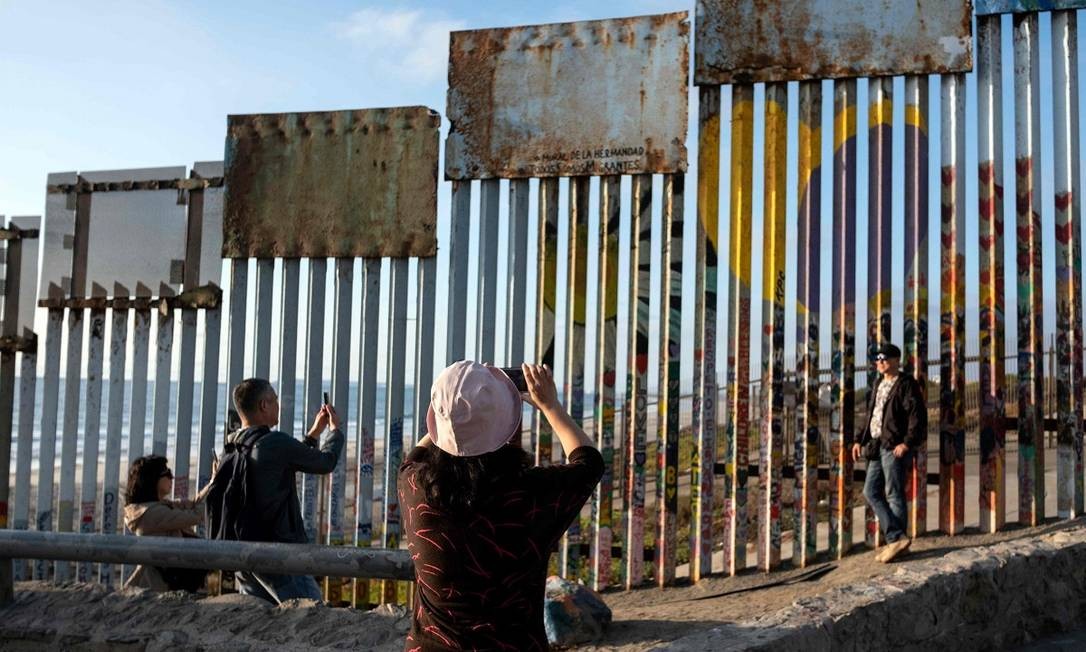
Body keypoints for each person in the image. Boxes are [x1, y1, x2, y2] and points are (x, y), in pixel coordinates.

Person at [399, 361, 603, 652]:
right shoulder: (530, 494)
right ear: (505, 423)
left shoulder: (414, 486)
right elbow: (589, 463)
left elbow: (420, 453)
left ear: (436, 419)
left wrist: (455, 411)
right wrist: (549, 405)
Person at [226, 378, 345, 604]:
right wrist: (335, 431)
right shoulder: (274, 442)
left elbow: (281, 461)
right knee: (310, 613)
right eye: (275, 400)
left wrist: (313, 434)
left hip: (242, 552)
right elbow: (325, 462)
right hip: (279, 554)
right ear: (264, 405)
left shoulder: (234, 445)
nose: (278, 405)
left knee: (263, 620)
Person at [852, 342, 927, 563]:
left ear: (896, 360)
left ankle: (896, 542)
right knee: (870, 491)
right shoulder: (878, 383)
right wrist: (859, 440)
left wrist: (907, 443)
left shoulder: (905, 384)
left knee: (894, 493)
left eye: (884, 357)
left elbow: (917, 416)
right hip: (877, 444)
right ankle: (897, 539)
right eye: (877, 358)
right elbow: (871, 416)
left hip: (894, 446)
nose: (879, 361)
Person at [123, 454, 214, 592]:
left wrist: (213, 481)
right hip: (158, 586)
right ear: (153, 479)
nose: (172, 478)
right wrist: (215, 485)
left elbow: (193, 504)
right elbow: (195, 515)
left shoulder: (157, 506)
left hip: (166, 581)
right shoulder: (151, 514)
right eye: (167, 473)